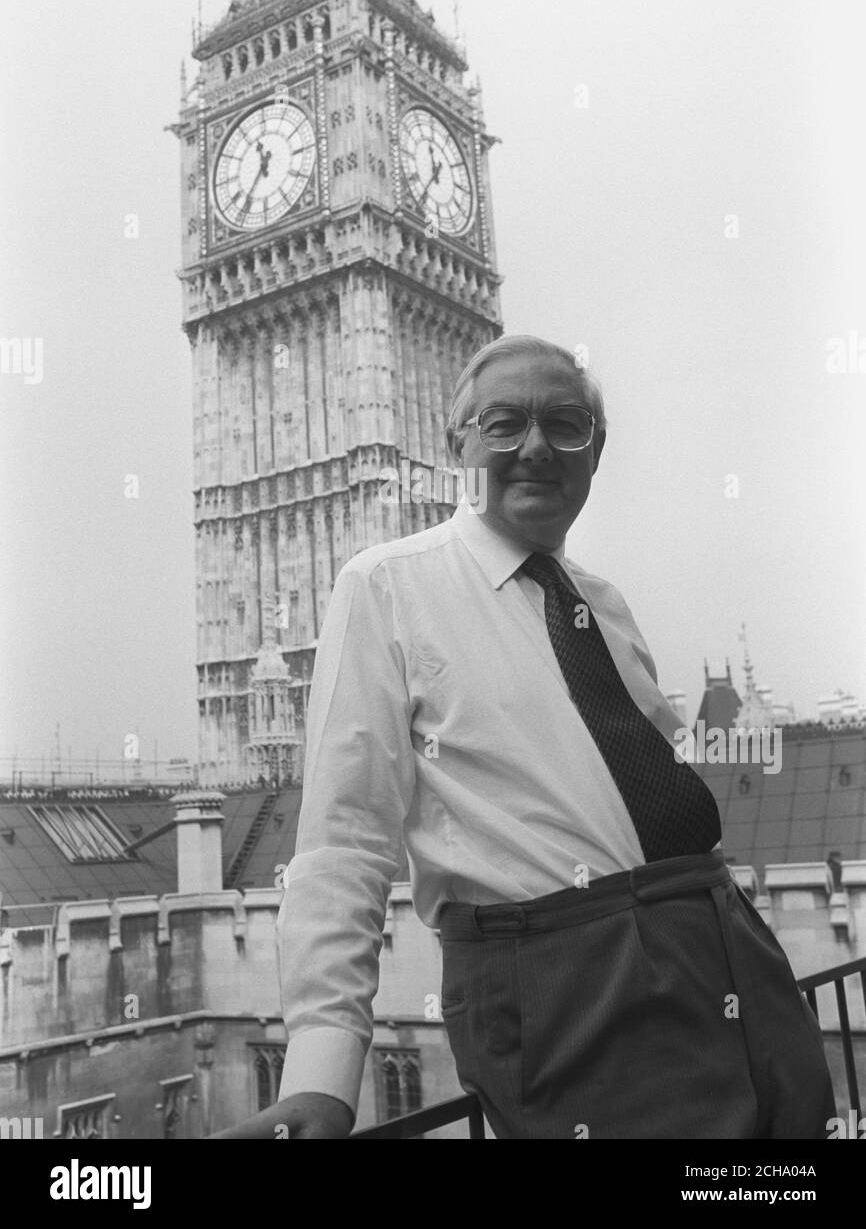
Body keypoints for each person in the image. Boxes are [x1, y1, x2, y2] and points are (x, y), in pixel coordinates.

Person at [215, 335, 835, 1140]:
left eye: (566, 424)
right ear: (457, 449)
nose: (536, 446)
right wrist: (321, 1081)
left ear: (595, 452)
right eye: (503, 424)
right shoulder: (386, 587)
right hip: (572, 989)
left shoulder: (604, 605)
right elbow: (343, 841)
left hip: (730, 959)